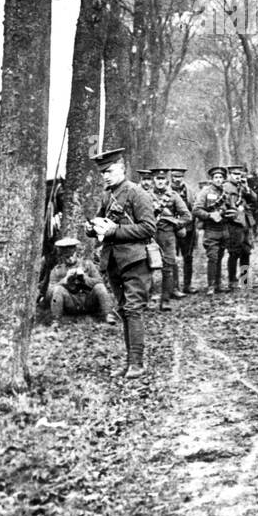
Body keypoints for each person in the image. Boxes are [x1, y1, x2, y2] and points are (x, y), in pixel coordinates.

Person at [83, 148, 156, 379]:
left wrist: (116, 231)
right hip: (113, 262)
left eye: (110, 171)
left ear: (122, 169)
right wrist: (91, 230)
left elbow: (148, 228)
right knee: (125, 311)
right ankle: (129, 363)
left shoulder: (137, 193)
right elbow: (102, 223)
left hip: (135, 260)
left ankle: (137, 364)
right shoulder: (107, 196)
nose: (105, 176)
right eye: (102, 172)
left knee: (133, 310)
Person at [149, 167, 192, 311]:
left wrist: (174, 223)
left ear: (166, 180)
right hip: (150, 236)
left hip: (168, 235)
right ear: (153, 180)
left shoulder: (173, 196)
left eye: (162, 179)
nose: (160, 182)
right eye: (157, 179)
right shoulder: (145, 196)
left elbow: (187, 216)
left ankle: (165, 300)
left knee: (168, 267)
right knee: (145, 266)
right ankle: (147, 298)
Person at [47, 236, 116, 324]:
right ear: (62, 257)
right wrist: (64, 281)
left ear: (76, 253)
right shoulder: (57, 270)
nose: (70, 259)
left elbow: (99, 281)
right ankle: (56, 320)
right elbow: (49, 292)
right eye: (66, 257)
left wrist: (85, 278)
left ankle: (108, 315)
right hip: (71, 302)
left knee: (99, 287)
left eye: (72, 255)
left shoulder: (87, 265)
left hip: (88, 300)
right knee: (58, 290)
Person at [194, 165, 231, 296]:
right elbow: (196, 209)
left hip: (224, 229)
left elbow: (230, 207)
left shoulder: (225, 193)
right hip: (211, 230)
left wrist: (230, 213)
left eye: (221, 177)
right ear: (211, 179)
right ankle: (211, 285)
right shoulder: (205, 192)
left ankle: (219, 284)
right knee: (213, 258)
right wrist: (209, 215)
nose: (218, 180)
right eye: (216, 177)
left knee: (220, 257)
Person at [225, 163, 257, 290]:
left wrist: (247, 189)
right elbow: (226, 203)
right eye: (235, 174)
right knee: (234, 252)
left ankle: (244, 280)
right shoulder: (226, 187)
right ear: (230, 175)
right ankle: (232, 281)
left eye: (239, 174)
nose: (237, 177)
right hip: (234, 223)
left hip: (246, 222)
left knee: (246, 251)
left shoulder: (242, 186)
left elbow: (254, 199)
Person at [170, 166, 197, 295]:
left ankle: (187, 285)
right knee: (172, 258)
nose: (177, 180)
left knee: (188, 257)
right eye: (175, 177)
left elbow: (194, 208)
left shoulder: (190, 191)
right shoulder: (167, 191)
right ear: (171, 178)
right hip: (172, 229)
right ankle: (174, 287)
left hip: (188, 228)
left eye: (180, 177)